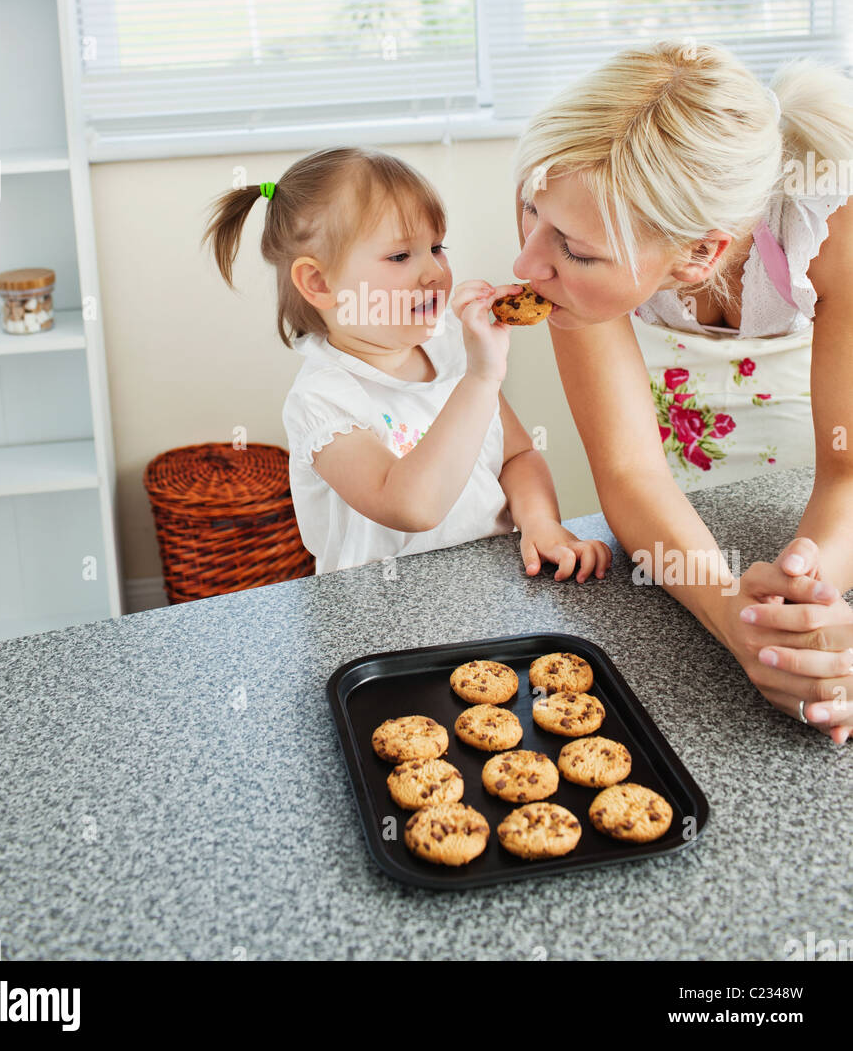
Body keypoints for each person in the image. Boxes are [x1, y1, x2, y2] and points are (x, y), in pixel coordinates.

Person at [511, 38, 853, 743]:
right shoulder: (569, 191)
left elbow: (846, 469)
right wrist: (734, 616)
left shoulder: (834, 224)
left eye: (576, 251)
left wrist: (800, 598)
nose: (526, 262)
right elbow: (630, 469)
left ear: (702, 252)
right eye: (531, 214)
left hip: (803, 469)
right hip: (678, 485)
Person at [203, 146, 611, 578]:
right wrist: (480, 378)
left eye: (436, 246)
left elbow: (518, 457)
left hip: (491, 591)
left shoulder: (453, 347)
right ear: (319, 282)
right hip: (382, 617)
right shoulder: (323, 401)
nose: (434, 272)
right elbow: (412, 507)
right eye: (400, 256)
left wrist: (540, 523)